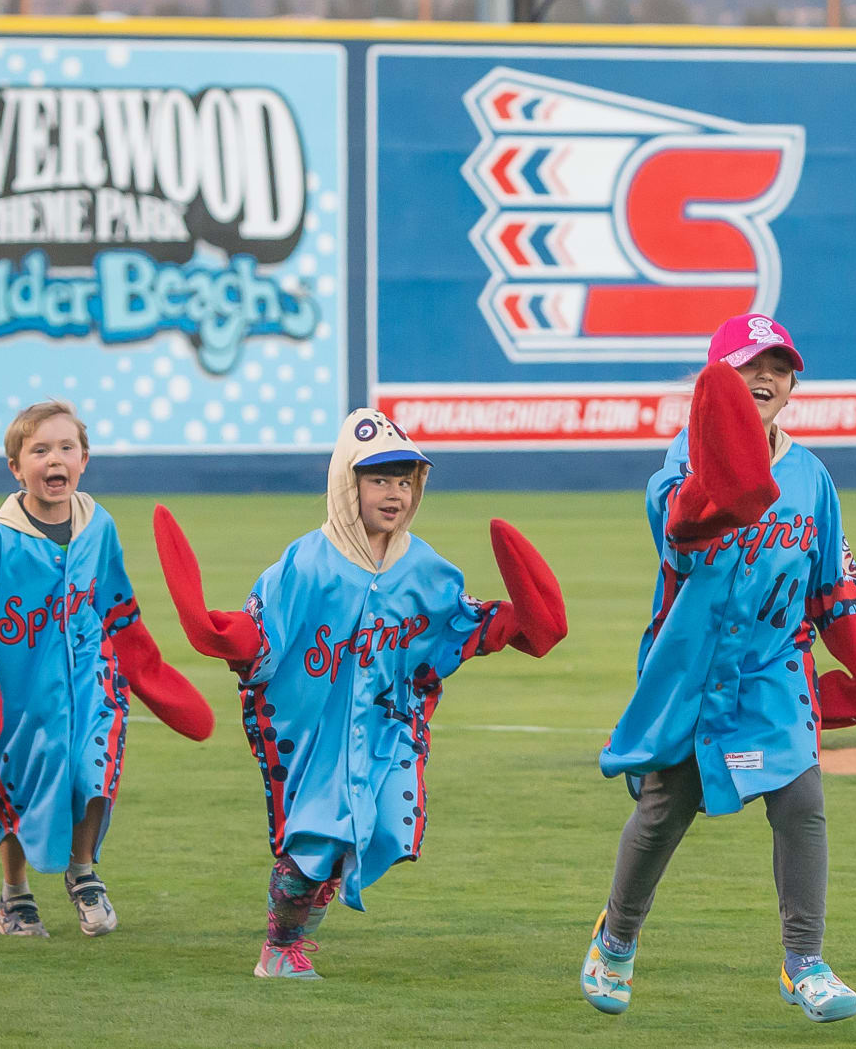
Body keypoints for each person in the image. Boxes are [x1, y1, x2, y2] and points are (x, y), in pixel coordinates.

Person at [150, 408, 566, 980]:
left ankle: (311, 903)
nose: (393, 493)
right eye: (378, 479)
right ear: (348, 484)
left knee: (392, 827)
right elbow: (257, 634)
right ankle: (281, 945)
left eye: (404, 480)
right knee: (316, 845)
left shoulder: (424, 568)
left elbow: (464, 625)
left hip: (389, 730)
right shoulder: (303, 565)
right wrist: (220, 632)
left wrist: (520, 622)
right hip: (315, 734)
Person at [581, 313, 856, 1023]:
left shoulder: (811, 476)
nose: (768, 377)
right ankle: (617, 938)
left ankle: (804, 962)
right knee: (664, 809)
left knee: (801, 803)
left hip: (774, 669)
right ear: (716, 382)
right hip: (694, 671)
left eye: (780, 367)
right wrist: (721, 490)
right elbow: (676, 531)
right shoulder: (685, 459)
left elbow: (831, 577)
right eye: (753, 364)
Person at [0, 399, 215, 939]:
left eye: (66, 447)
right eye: (39, 450)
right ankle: (14, 893)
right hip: (21, 691)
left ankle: (83, 871)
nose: (54, 459)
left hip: (93, 679)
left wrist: (150, 674)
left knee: (96, 766)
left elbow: (117, 605)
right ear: (17, 468)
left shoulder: (98, 525)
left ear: (84, 459)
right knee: (22, 784)